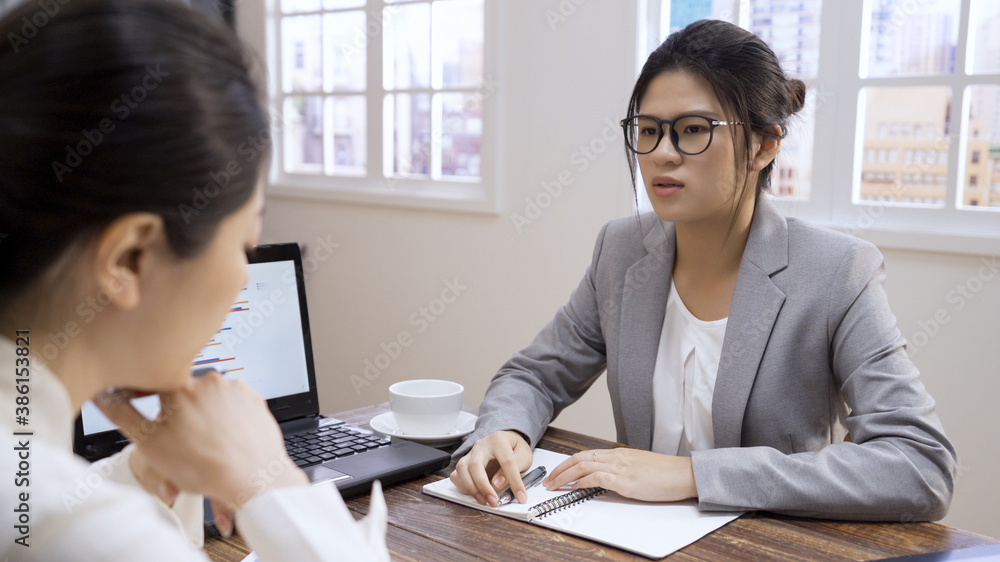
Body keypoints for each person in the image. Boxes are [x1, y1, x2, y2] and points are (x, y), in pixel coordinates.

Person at [450, 19, 957, 521]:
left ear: (765, 145)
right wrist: (506, 431)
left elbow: (919, 465)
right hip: (631, 538)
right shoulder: (620, 249)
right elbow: (536, 375)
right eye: (647, 131)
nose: (662, 154)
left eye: (693, 130)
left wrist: (695, 475)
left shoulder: (836, 271)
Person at [0, 0, 388, 559]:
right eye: (244, 245)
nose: (242, 277)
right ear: (129, 259)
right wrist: (270, 478)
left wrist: (138, 476)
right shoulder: (67, 524)